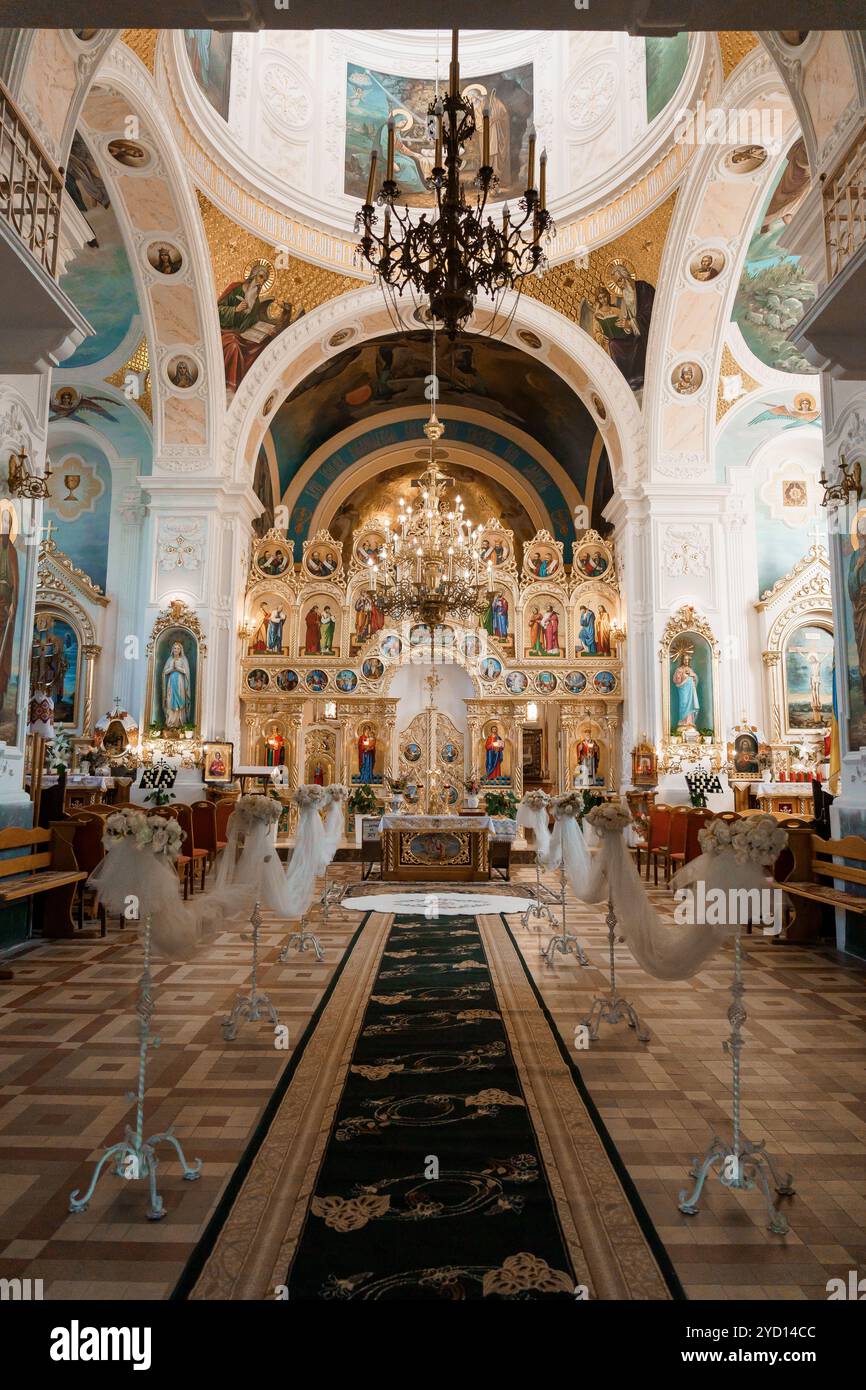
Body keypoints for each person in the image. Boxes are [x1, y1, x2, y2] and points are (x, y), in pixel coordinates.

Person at [162, 641, 191, 730]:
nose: (176, 650)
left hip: (180, 682)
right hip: (171, 682)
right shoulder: (169, 660)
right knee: (170, 699)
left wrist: (177, 668)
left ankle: (179, 721)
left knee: (180, 699)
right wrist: (171, 668)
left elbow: (186, 672)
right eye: (175, 648)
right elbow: (164, 672)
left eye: (178, 648)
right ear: (172, 649)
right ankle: (171, 722)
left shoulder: (183, 660)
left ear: (180, 650)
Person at [672, 650, 700, 728]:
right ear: (682, 660)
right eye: (685, 659)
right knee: (683, 703)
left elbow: (695, 679)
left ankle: (690, 722)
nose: (686, 661)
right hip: (683, 691)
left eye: (688, 660)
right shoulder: (679, 670)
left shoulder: (690, 670)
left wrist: (692, 675)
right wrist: (679, 676)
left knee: (690, 705)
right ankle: (683, 722)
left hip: (690, 692)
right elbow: (676, 681)